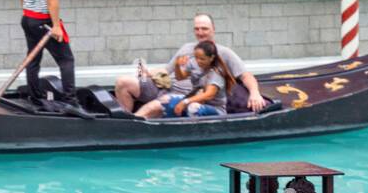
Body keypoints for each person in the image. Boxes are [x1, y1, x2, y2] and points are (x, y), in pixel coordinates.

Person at [114, 13, 269, 116]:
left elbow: (245, 75)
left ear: (213, 30)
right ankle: (122, 117)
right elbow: (167, 71)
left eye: (204, 29)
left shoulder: (224, 53)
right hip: (165, 87)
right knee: (123, 82)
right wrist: (148, 72)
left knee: (157, 104)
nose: (200, 32)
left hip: (188, 97)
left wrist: (255, 93)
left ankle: (129, 127)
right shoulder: (186, 48)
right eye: (197, 29)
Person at [155, 40, 233, 118]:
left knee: (193, 108)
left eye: (202, 59)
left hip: (215, 109)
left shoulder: (217, 73)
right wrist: (177, 66)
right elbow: (180, 77)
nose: (198, 61)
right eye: (196, 57)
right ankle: (173, 125)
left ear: (211, 58)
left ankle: (194, 129)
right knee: (166, 100)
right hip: (195, 99)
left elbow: (208, 95)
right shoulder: (194, 63)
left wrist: (185, 102)